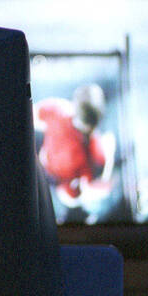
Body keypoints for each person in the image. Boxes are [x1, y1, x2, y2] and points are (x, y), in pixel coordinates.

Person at [34, 84, 116, 217]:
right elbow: (104, 184)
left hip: (68, 192)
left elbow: (99, 185)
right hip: (44, 176)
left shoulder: (57, 109)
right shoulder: (57, 110)